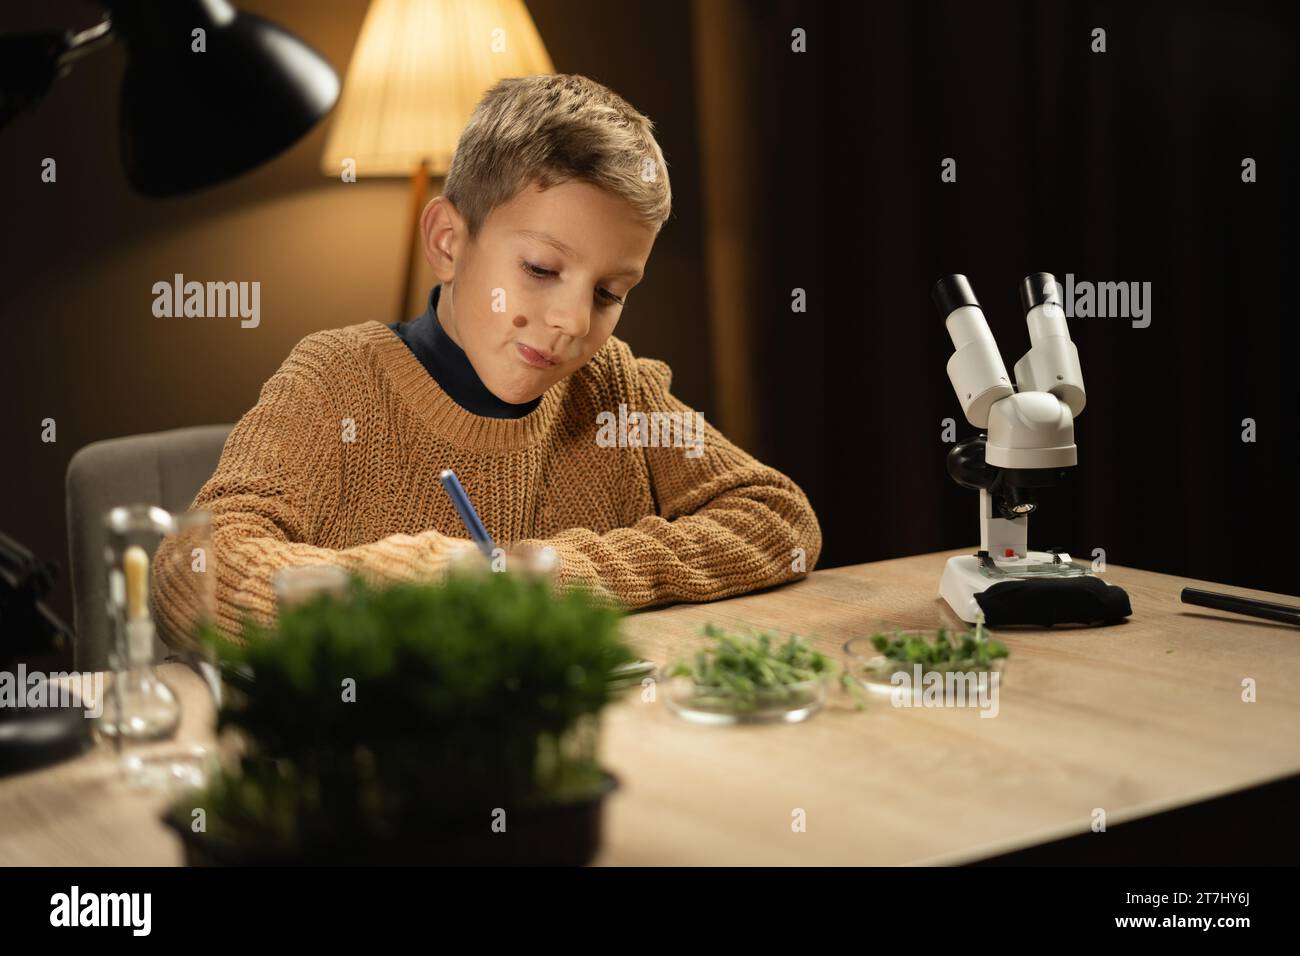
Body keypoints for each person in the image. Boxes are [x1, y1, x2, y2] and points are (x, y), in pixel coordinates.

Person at [153, 73, 821, 644]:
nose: (574, 321)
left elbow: (777, 518)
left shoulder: (612, 386)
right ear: (449, 241)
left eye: (610, 292)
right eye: (539, 268)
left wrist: (550, 574)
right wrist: (405, 588)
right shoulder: (335, 383)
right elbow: (190, 568)